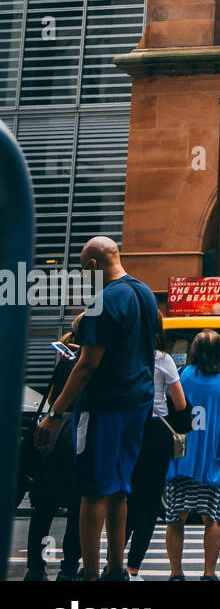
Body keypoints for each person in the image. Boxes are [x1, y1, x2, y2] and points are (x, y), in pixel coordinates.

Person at [34, 236, 160, 582]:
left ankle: (90, 576)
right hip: (137, 404)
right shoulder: (146, 295)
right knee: (119, 489)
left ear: (91, 266)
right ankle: (116, 571)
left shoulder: (102, 301)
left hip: (103, 407)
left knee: (92, 491)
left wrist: (55, 414)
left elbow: (88, 364)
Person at [163, 330, 220, 581]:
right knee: (213, 517)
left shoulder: (184, 376)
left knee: (175, 518)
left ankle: (176, 573)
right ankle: (209, 573)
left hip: (181, 458)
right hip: (209, 463)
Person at [22, 316, 86, 581]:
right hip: (79, 436)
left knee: (44, 506)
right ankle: (69, 567)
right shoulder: (91, 361)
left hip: (53, 434)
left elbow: (51, 398)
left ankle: (35, 567)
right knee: (77, 507)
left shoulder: (64, 360)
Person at [124, 324, 188, 579]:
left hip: (126, 429)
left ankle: (113, 563)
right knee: (149, 503)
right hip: (155, 431)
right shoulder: (163, 359)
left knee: (125, 498)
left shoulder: (124, 354)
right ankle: (133, 568)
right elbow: (180, 402)